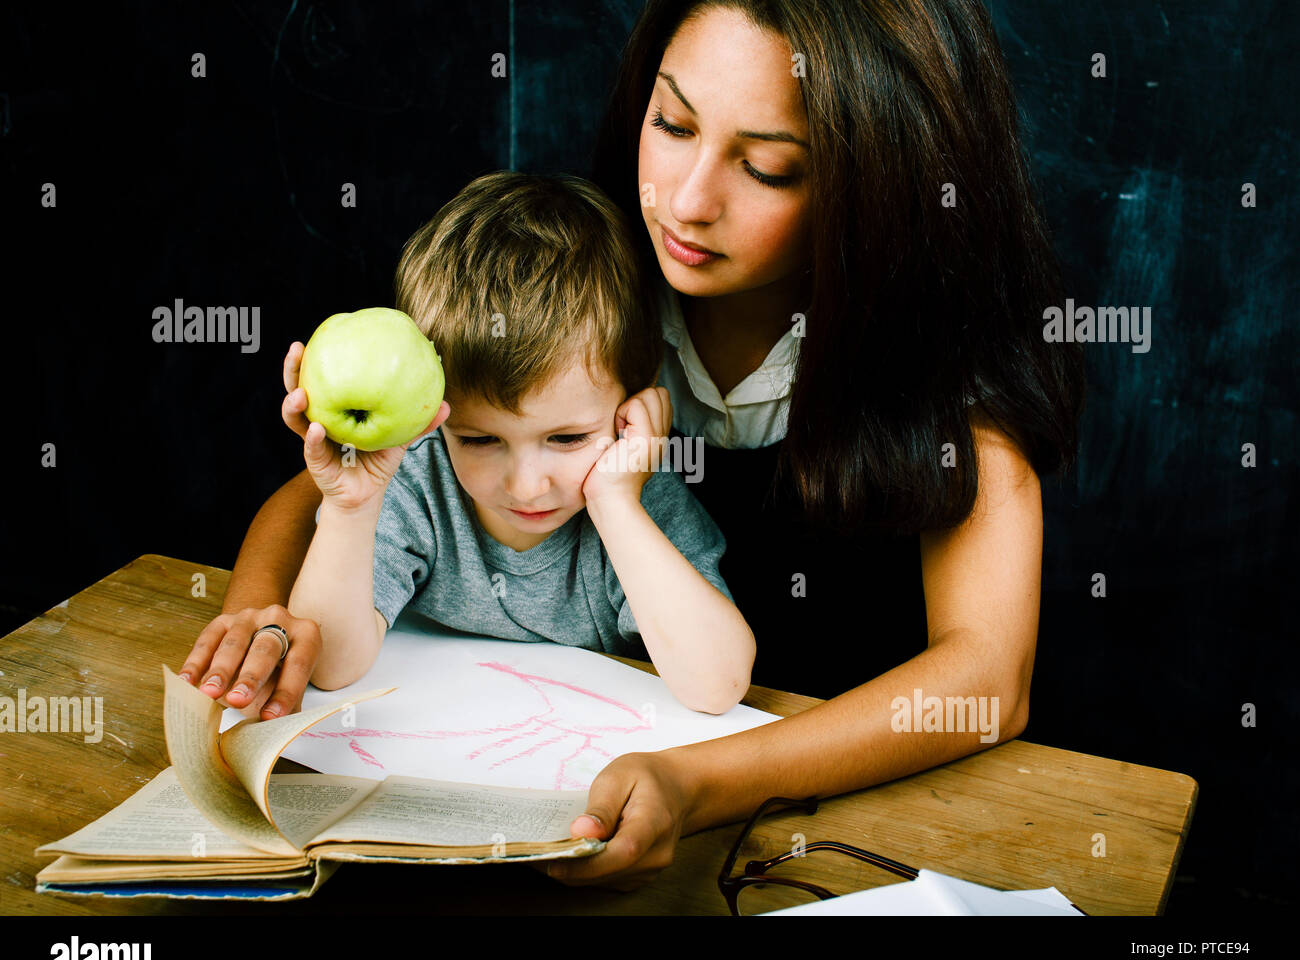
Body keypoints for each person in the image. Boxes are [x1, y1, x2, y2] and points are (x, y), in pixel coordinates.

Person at [181, 0, 1084, 892]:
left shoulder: (951, 361)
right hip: (565, 783)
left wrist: (702, 784)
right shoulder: (595, 281)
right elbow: (338, 488)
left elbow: (986, 679)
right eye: (673, 123)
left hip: (854, 812)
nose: (687, 204)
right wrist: (266, 618)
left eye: (768, 168)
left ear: (883, 184)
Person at [220, 171, 753, 714]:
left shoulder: (641, 496)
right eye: (478, 439)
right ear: (431, 412)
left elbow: (719, 685)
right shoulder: (415, 482)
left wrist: (616, 506)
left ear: (637, 404)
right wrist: (349, 509)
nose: (526, 485)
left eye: (568, 438)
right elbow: (329, 664)